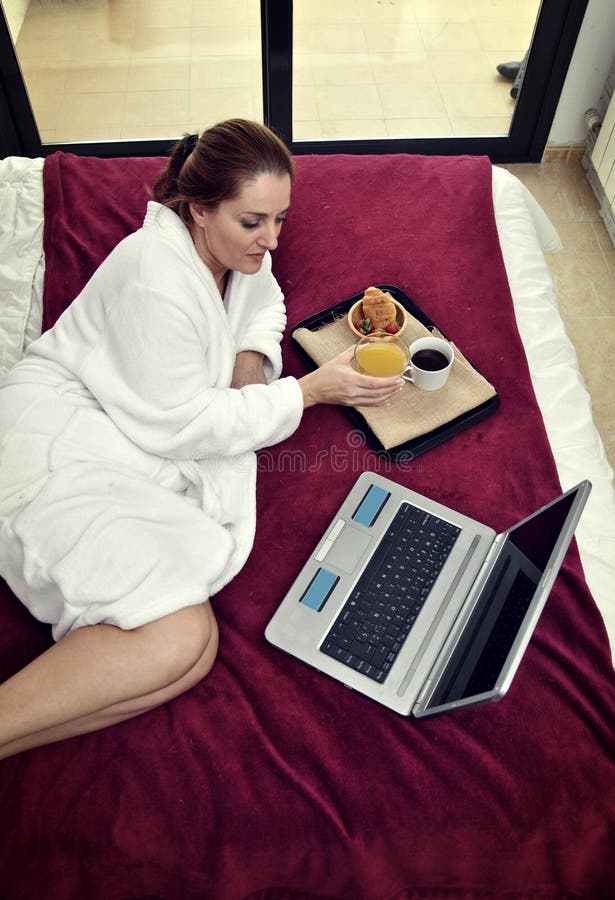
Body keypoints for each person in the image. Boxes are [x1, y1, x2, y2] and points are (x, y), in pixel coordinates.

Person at [0, 119, 402, 760]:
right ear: (198, 209)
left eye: (281, 219)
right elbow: (184, 425)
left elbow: (265, 300)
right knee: (180, 638)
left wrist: (247, 360)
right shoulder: (155, 279)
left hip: (126, 438)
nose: (272, 240)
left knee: (194, 653)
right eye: (253, 222)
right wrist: (306, 391)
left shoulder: (232, 256)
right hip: (54, 441)